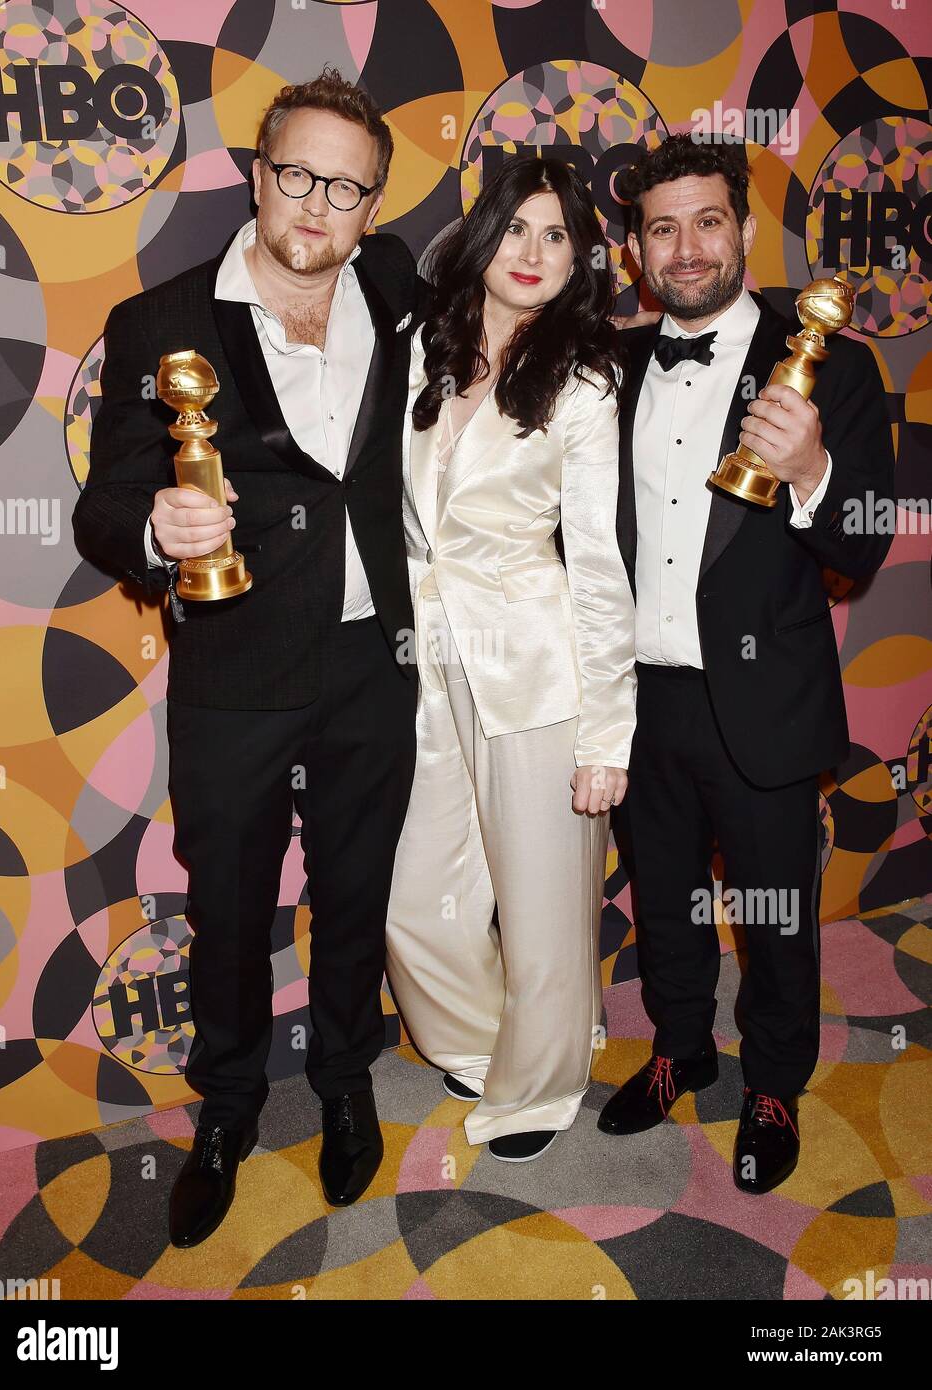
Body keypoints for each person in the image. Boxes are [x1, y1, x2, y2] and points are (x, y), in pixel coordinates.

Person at [72, 68, 426, 1246]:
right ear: (257, 173)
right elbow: (105, 501)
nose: (316, 204)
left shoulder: (393, 281)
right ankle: (224, 1110)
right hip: (232, 669)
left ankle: (341, 1078)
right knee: (226, 904)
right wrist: (151, 531)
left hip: (372, 665)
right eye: (297, 174)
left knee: (354, 894)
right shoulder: (161, 321)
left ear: (372, 205)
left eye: (345, 185)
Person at [600, 135, 894, 1193]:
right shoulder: (611, 363)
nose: (686, 248)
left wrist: (809, 467)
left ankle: (773, 1082)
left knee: (775, 911)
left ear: (742, 230)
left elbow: (858, 540)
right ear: (635, 246)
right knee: (663, 899)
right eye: (662, 227)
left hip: (762, 698)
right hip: (638, 697)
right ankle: (680, 1047)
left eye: (706, 221)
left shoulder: (834, 364)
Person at [385, 157, 637, 1163]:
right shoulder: (422, 352)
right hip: (428, 668)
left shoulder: (581, 381)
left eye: (557, 236)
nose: (533, 253)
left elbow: (599, 565)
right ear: (482, 236)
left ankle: (537, 1088)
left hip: (534, 672)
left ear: (577, 260)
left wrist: (605, 732)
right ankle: (479, 1036)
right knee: (415, 897)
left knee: (541, 906)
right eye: (518, 229)